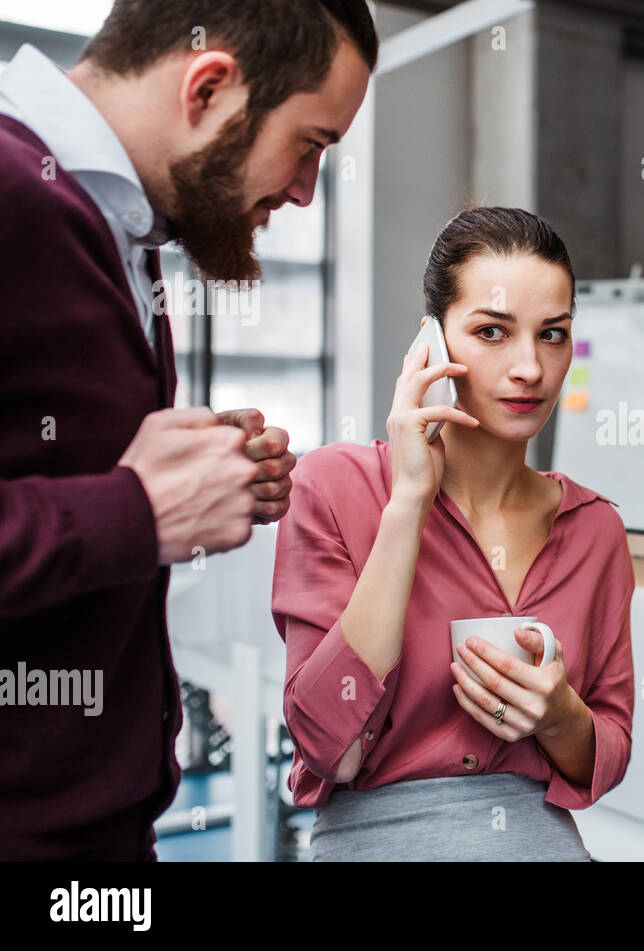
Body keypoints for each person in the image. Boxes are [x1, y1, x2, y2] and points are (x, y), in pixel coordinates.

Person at [0, 0, 377, 860]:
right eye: (310, 145)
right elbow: (114, 510)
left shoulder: (118, 227)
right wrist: (134, 511)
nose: (304, 191)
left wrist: (197, 468)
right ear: (208, 86)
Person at [271, 207, 635, 861]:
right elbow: (332, 747)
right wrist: (408, 503)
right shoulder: (331, 487)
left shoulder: (595, 529)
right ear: (431, 346)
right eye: (493, 331)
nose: (530, 366)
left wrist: (558, 716)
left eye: (552, 334)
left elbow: (605, 755)